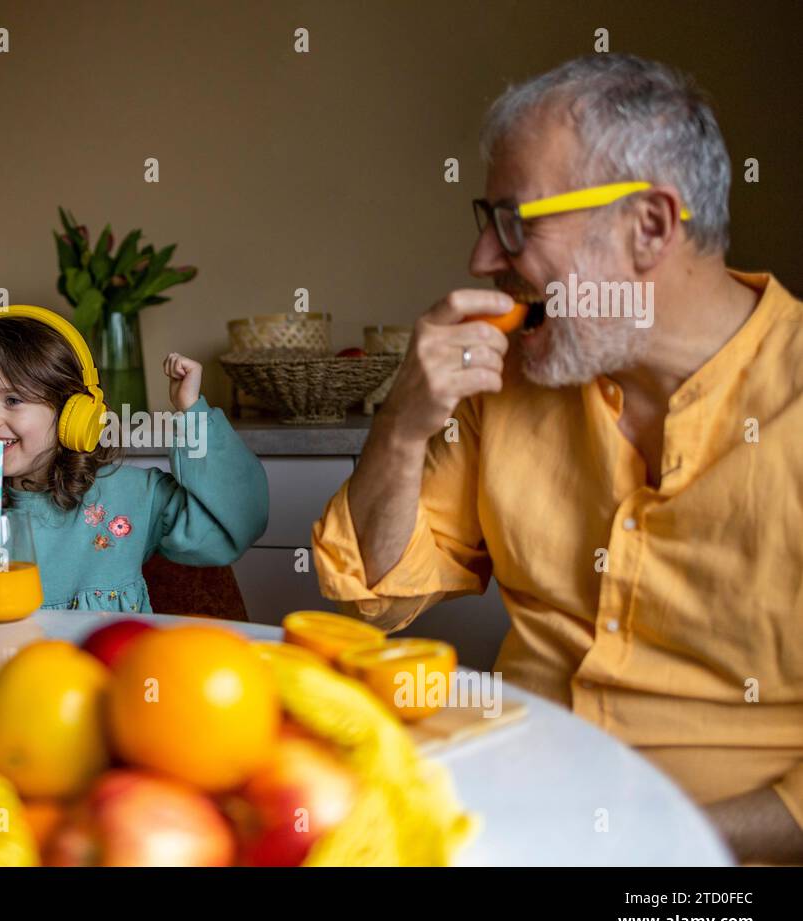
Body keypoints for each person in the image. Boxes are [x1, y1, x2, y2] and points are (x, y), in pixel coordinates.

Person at [311, 54, 803, 863]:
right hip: (506, 829)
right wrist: (402, 423)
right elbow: (378, 595)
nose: (482, 259)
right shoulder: (515, 382)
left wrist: (642, 840)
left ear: (649, 226)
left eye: (516, 222)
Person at [0, 306, 267, 613]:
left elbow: (233, 523)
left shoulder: (133, 496)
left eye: (13, 399)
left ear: (74, 414)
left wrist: (192, 414)